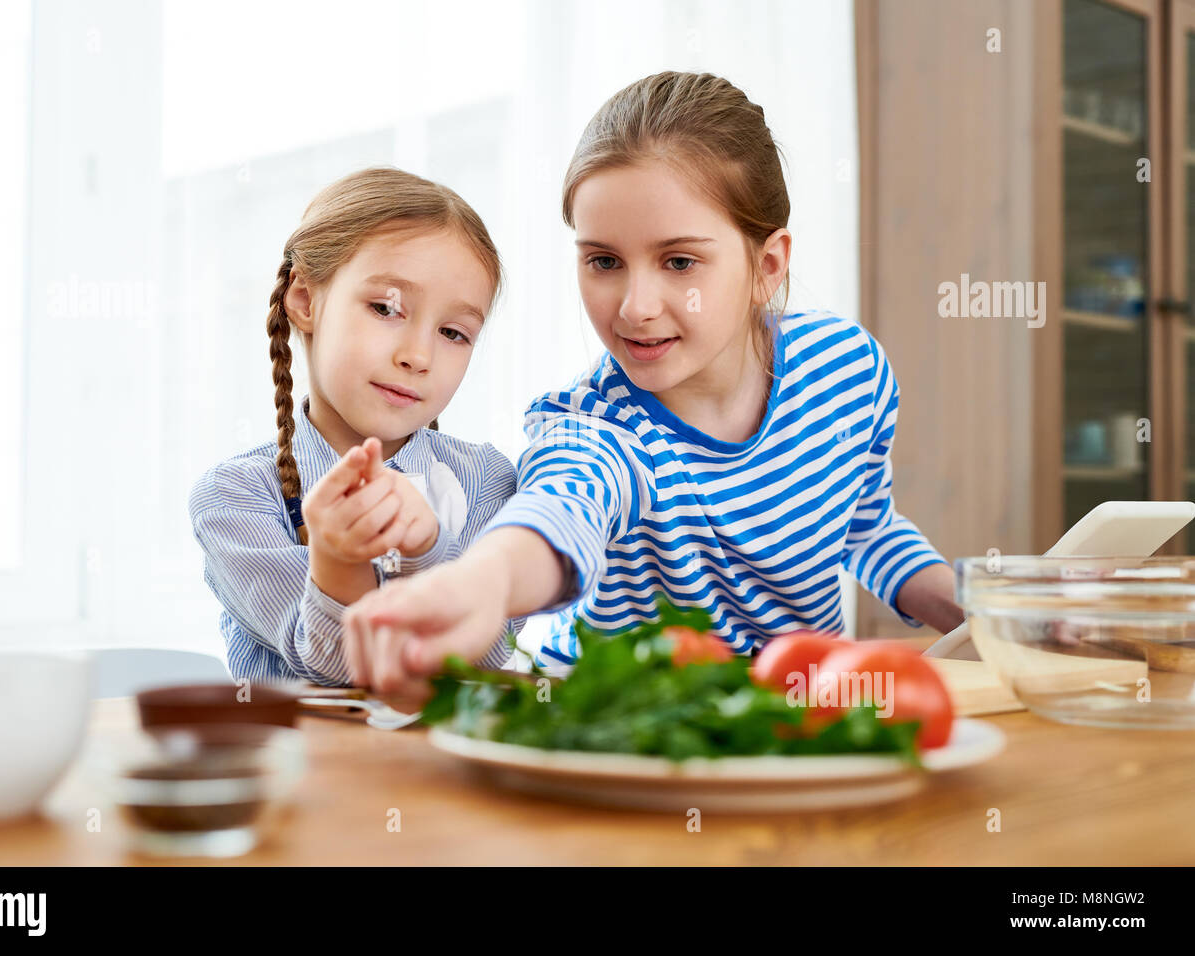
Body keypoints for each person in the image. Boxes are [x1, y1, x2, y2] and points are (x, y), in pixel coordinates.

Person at [342, 72, 964, 706]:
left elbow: (864, 525)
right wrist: (482, 582)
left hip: (791, 731)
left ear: (766, 266)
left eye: (679, 262)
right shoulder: (591, 426)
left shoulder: (849, 371)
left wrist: (977, 609)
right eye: (604, 262)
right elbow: (559, 512)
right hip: (621, 736)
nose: (635, 308)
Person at [189, 167, 522, 685]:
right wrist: (338, 560)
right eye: (386, 308)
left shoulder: (487, 481)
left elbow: (482, 654)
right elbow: (338, 664)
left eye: (454, 332)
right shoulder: (236, 497)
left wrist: (426, 548)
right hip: (309, 765)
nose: (417, 355)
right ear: (304, 300)